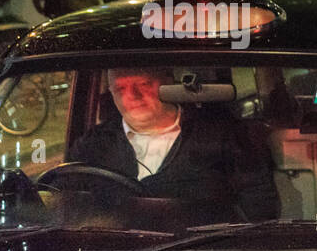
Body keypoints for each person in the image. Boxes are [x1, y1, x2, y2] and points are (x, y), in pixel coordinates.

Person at [69, 68, 280, 222]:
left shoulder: (224, 134)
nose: (132, 96)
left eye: (143, 84)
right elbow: (66, 206)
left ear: (168, 83)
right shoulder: (91, 146)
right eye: (120, 88)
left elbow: (259, 206)